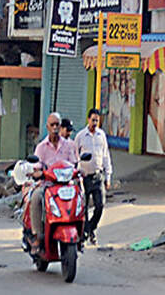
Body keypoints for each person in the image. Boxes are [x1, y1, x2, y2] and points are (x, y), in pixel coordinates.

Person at [27, 112, 79, 253]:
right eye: (52, 125)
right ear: (47, 127)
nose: (55, 127)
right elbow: (36, 166)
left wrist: (79, 172)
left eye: (58, 124)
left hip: (65, 185)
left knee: (80, 197)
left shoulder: (68, 145)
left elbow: (74, 164)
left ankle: (82, 231)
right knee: (36, 197)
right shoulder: (41, 147)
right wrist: (37, 172)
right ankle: (37, 235)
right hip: (48, 186)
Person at [75, 108, 111, 244]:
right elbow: (74, 155)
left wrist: (108, 176)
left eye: (97, 120)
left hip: (97, 176)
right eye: (93, 120)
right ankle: (84, 233)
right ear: (88, 120)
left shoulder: (101, 135)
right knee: (83, 207)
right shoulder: (80, 136)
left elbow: (106, 156)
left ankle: (91, 228)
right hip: (84, 177)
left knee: (100, 205)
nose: (95, 123)